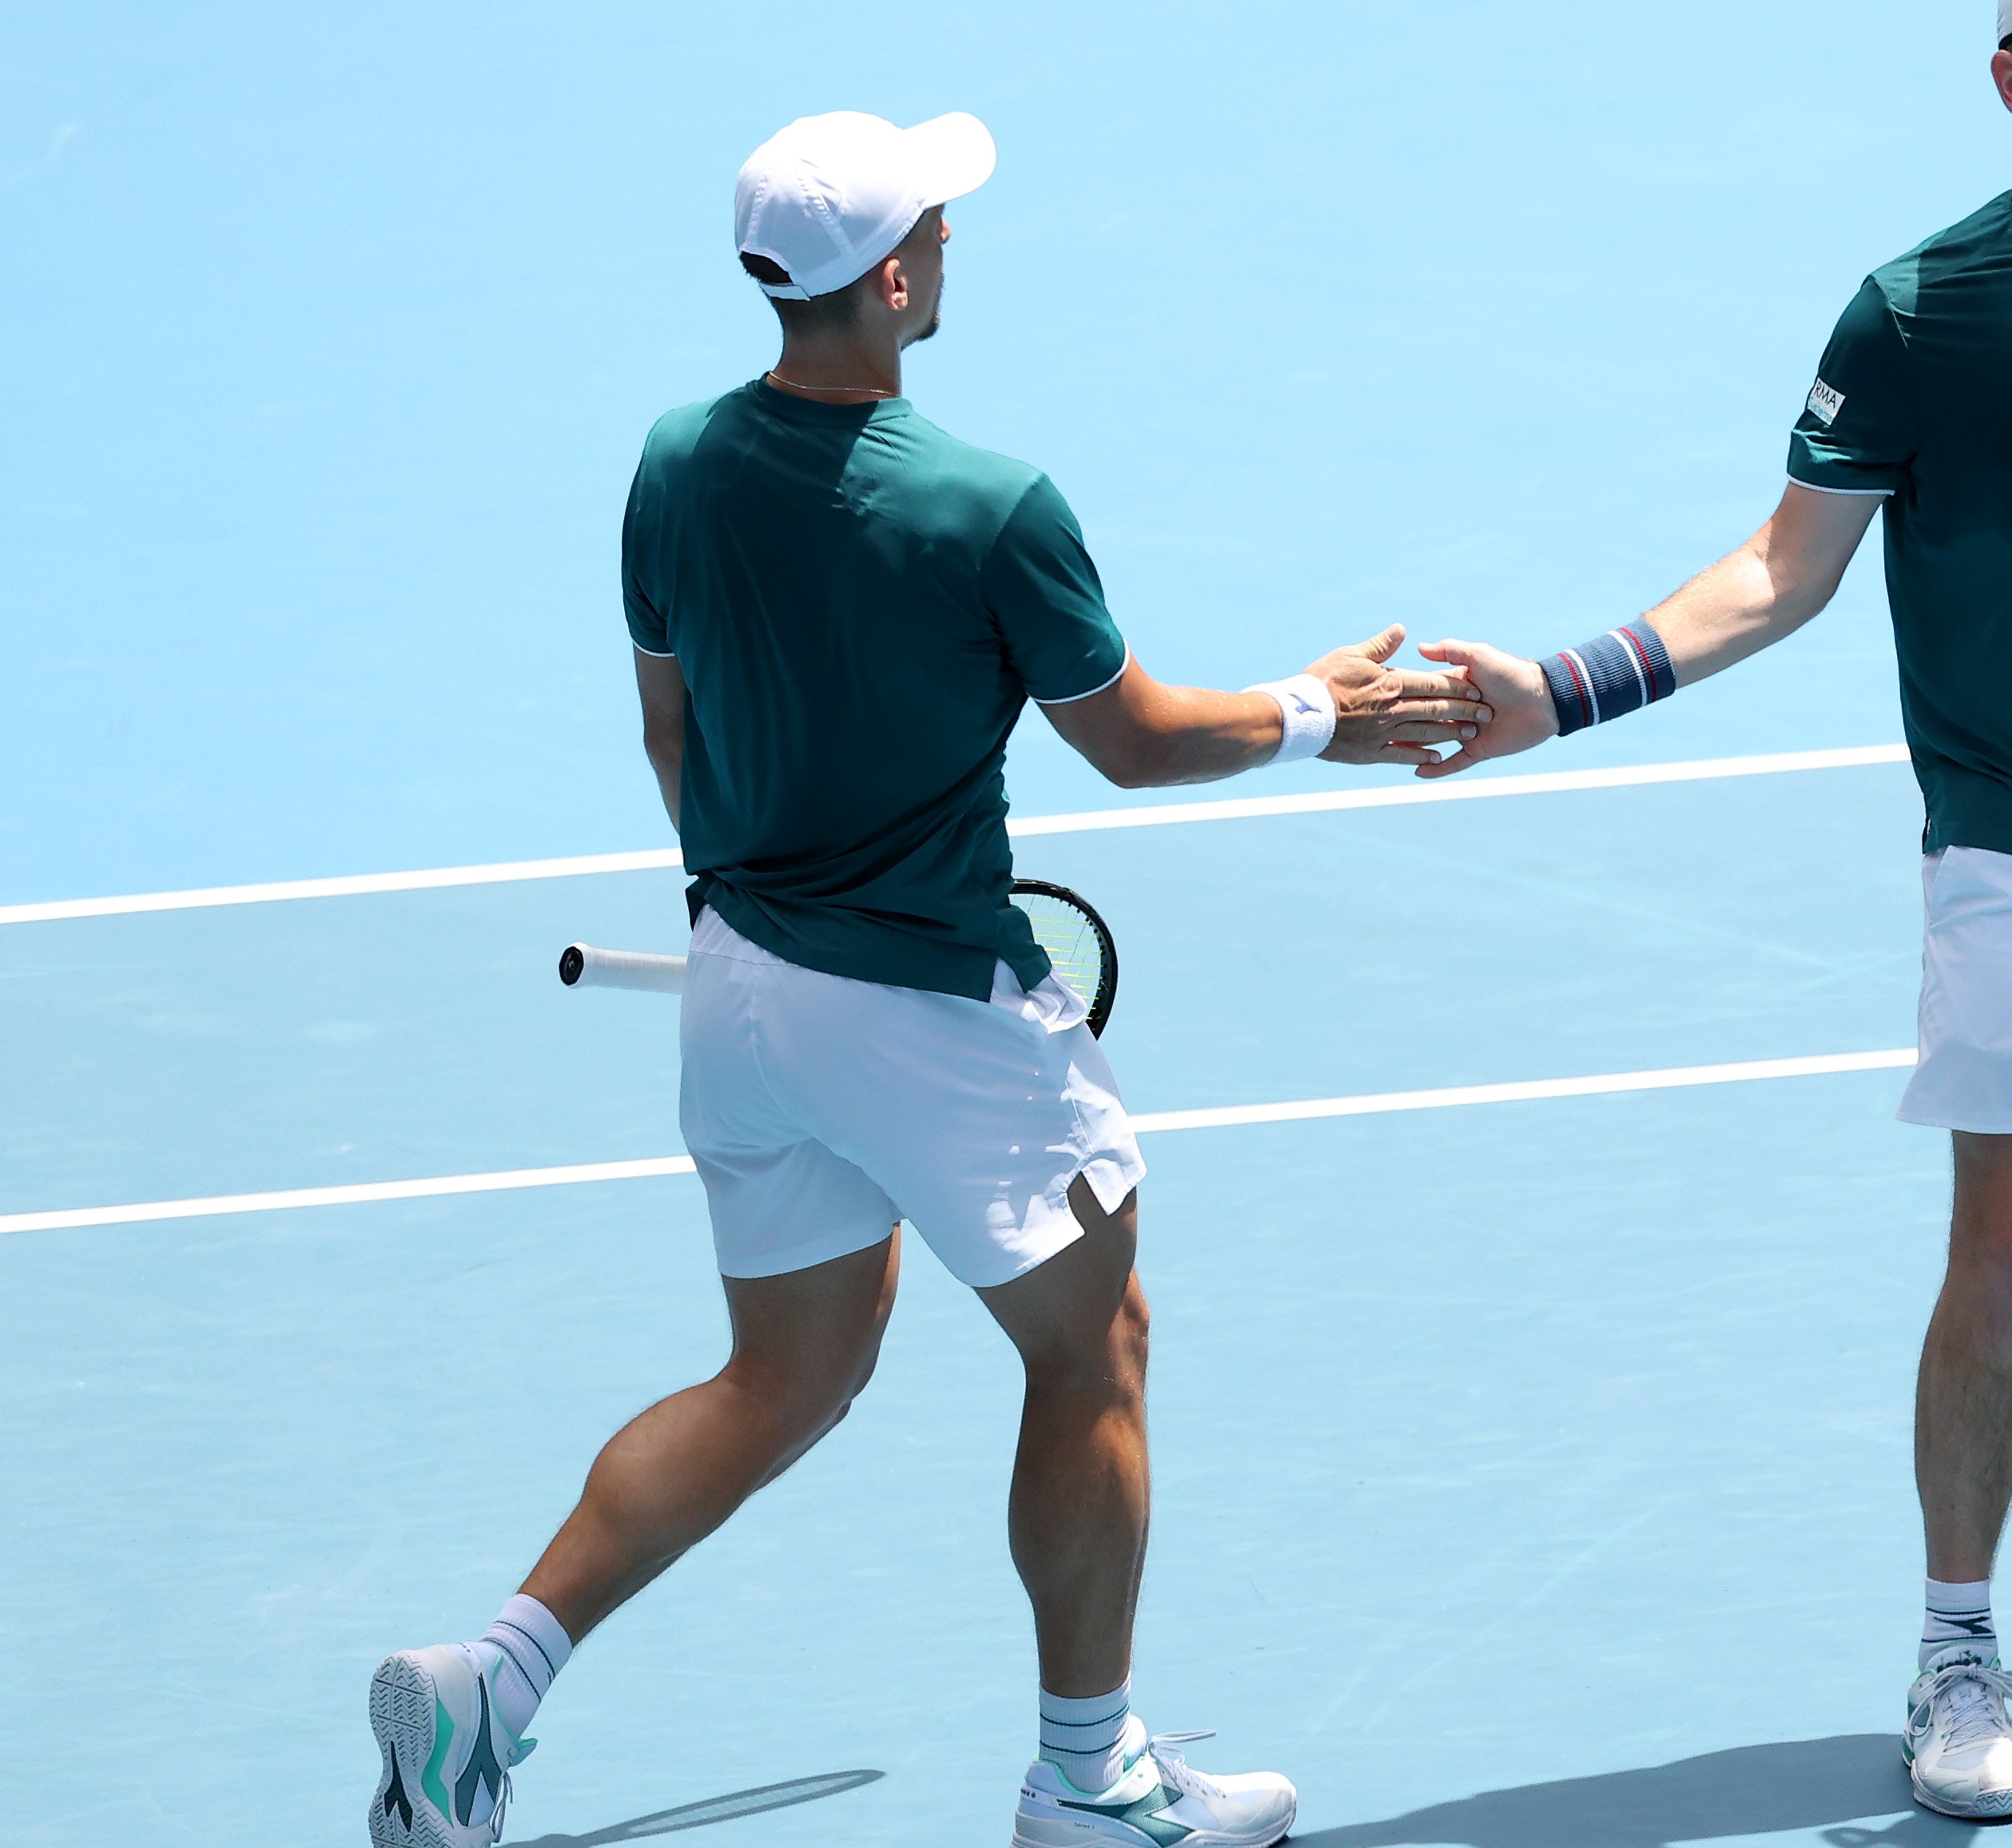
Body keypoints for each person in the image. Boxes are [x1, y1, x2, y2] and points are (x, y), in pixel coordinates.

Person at [364, 110, 1489, 1848]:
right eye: (939, 226)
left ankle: (487, 1684)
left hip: (740, 988)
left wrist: (774, 898)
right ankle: (1092, 1779)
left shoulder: (673, 461)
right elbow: (1137, 742)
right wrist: (1322, 710)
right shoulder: (986, 508)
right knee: (1091, 1345)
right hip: (929, 1012)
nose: (955, 242)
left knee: (785, 1377)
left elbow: (674, 733)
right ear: (890, 276)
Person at [1418, 2, 2012, 1820]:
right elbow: (1782, 570)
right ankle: (1952, 1652)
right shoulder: (1919, 314)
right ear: (2011, 81)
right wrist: (1563, 684)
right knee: (2001, 1268)